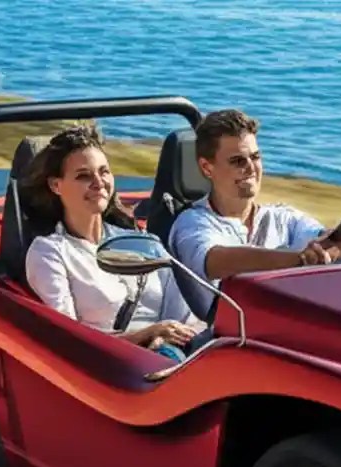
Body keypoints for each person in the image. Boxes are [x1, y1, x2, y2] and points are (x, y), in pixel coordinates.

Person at [167, 109, 341, 318]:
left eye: (255, 157)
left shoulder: (282, 218)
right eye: (238, 161)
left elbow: (319, 238)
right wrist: (298, 260)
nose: (251, 168)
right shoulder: (191, 223)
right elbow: (217, 261)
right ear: (207, 168)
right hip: (213, 341)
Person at [21, 125, 205, 361]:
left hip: (173, 354)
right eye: (83, 176)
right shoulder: (51, 252)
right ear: (56, 185)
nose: (98, 183)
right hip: (107, 367)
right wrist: (145, 335)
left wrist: (167, 338)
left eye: (104, 172)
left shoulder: (142, 242)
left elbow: (182, 312)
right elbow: (69, 342)